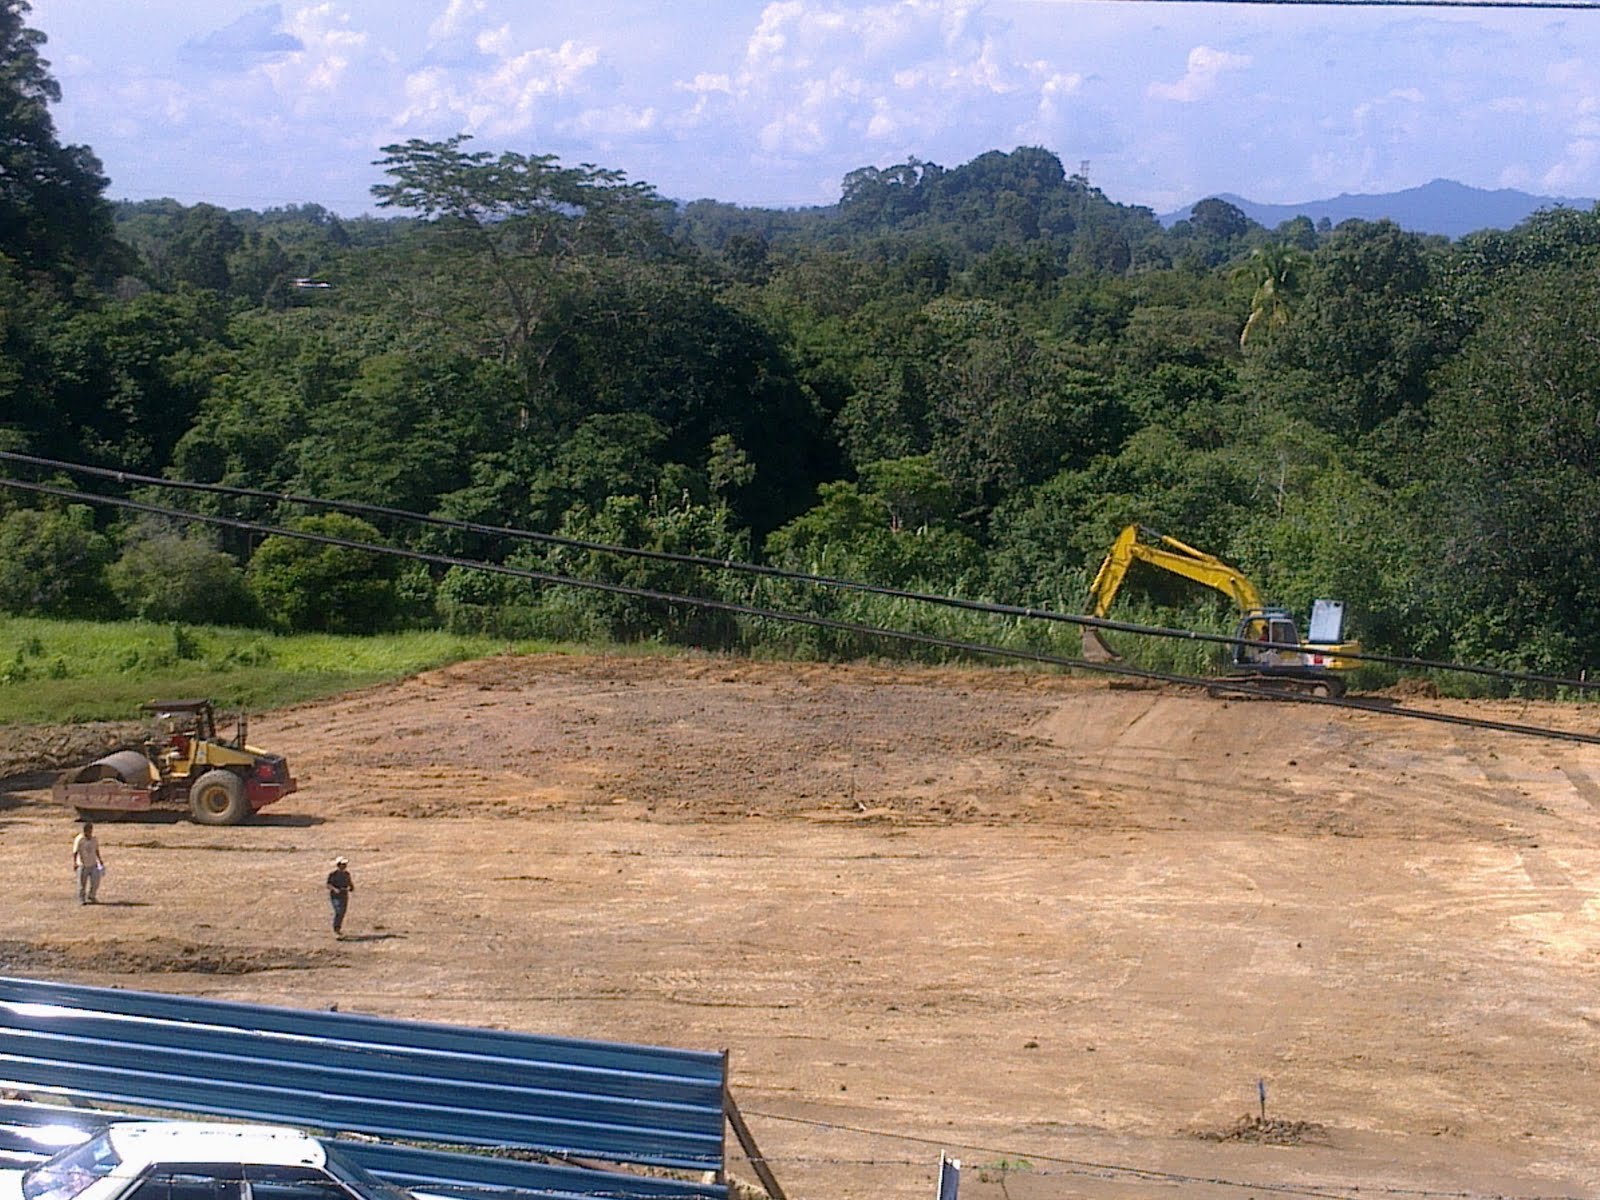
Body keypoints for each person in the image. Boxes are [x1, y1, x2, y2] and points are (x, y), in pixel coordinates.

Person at [72, 822, 105, 905]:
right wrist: (75, 862)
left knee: (95, 881)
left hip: (93, 863)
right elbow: (75, 851)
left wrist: (100, 859)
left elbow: (96, 849)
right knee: (82, 883)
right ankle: (81, 898)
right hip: (82, 864)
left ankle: (91, 895)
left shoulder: (94, 839)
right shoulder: (79, 839)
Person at [326, 856, 354, 935]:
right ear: (338, 865)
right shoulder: (333, 874)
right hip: (335, 896)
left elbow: (350, 884)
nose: (345, 865)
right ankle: (336, 929)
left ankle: (338, 928)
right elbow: (328, 885)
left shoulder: (347, 874)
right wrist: (335, 889)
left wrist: (350, 887)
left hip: (344, 895)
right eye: (343, 864)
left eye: (345, 864)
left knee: (342, 912)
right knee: (339, 911)